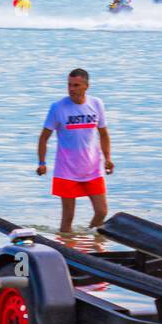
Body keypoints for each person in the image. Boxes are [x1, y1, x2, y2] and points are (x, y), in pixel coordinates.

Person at [37, 68, 113, 233]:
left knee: (102, 212)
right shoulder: (58, 107)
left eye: (76, 85)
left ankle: (89, 239)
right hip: (66, 170)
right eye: (69, 85)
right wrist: (42, 162)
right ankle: (66, 251)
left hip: (93, 168)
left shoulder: (96, 104)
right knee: (68, 216)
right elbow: (43, 138)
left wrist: (108, 159)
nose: (71, 89)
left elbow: (104, 134)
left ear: (86, 86)